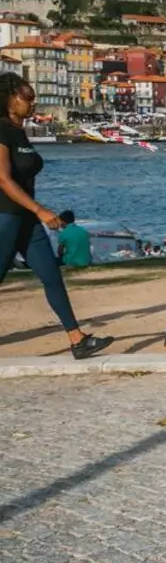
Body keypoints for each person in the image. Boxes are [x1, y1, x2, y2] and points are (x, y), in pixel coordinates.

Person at [0, 72, 112, 359]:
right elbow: (3, 179)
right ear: (10, 100)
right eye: (27, 97)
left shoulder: (19, 131)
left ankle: (77, 339)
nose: (33, 102)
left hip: (26, 218)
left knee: (51, 275)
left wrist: (37, 212)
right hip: (5, 217)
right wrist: (40, 209)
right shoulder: (1, 130)